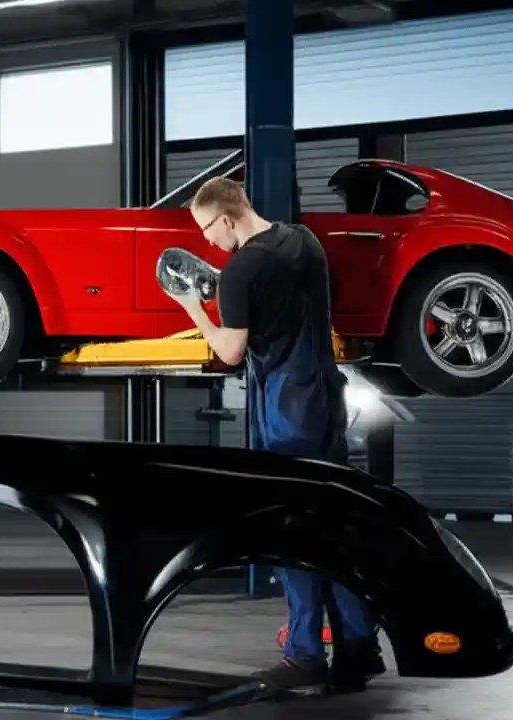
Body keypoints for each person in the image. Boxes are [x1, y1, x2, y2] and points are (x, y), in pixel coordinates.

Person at [165, 176, 385, 695]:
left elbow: (230, 351)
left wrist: (192, 307)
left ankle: (306, 655)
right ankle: (359, 647)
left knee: (292, 533)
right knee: (336, 526)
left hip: (285, 411)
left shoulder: (242, 270)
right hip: (325, 398)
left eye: (206, 229)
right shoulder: (302, 241)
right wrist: (227, 282)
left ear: (226, 217)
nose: (206, 241)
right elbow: (276, 288)